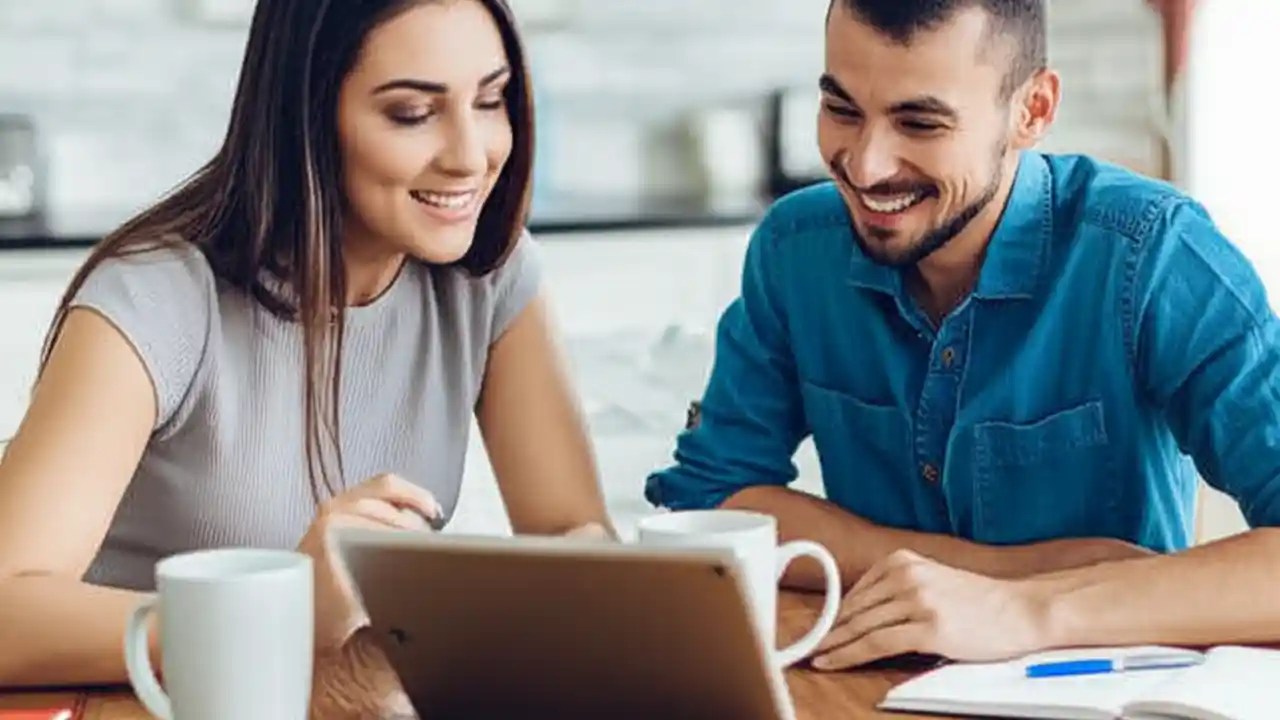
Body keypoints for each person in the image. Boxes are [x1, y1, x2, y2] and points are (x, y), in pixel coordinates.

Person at [0, 0, 613, 701]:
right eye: (413, 113)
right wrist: (275, 612)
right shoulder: (157, 297)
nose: (470, 157)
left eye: (490, 100)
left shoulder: (489, 274)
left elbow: (576, 530)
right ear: (308, 115)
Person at [646, 0, 1280, 671]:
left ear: (1032, 110)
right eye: (842, 108)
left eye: (919, 122)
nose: (865, 166)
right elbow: (713, 503)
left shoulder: (1153, 256)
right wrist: (996, 572)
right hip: (867, 686)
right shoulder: (795, 248)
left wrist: (1029, 609)